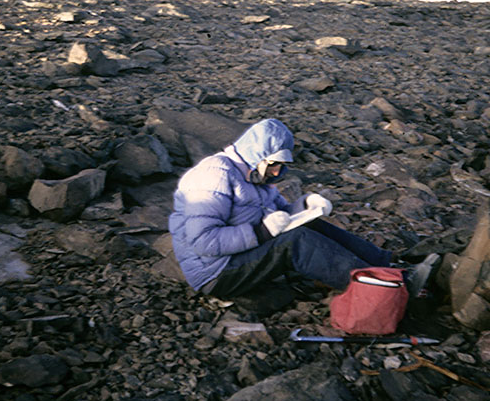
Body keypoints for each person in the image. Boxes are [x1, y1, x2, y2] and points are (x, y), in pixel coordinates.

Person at [168, 118, 394, 298]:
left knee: (310, 225)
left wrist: (305, 206)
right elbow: (203, 241)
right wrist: (262, 232)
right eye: (274, 164)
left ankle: (385, 265)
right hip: (215, 272)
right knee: (295, 242)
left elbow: (282, 215)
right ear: (256, 155)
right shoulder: (213, 175)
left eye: (281, 165)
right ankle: (379, 287)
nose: (277, 172)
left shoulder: (254, 175)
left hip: (238, 255)